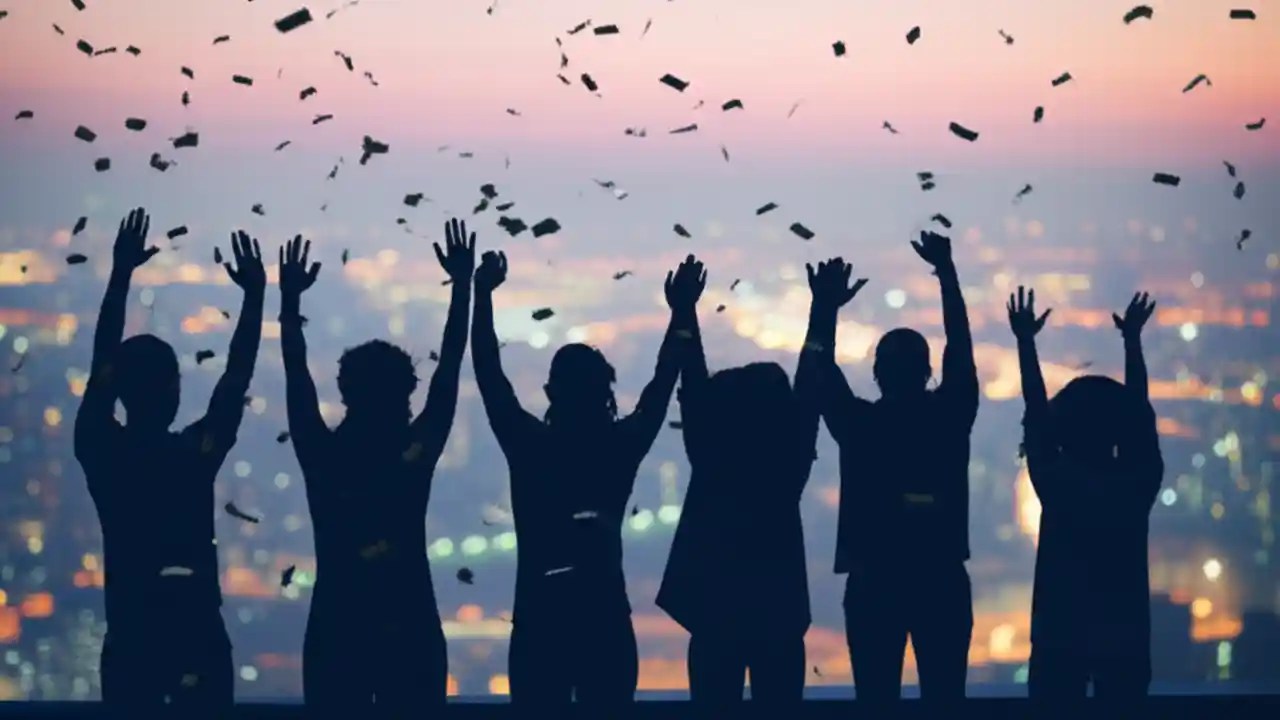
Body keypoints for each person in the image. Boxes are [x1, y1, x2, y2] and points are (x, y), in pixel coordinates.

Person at [472, 250, 695, 710]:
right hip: (605, 618)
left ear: (551, 392)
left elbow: (490, 376)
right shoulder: (620, 448)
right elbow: (662, 383)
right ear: (606, 392)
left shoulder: (530, 446)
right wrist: (681, 311)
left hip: (539, 621)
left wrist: (480, 295)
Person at [74, 209, 264, 712]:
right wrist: (255, 298)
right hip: (197, 636)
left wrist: (120, 275)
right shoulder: (192, 458)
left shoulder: (104, 454)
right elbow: (235, 381)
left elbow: (100, 368)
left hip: (131, 636)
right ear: (173, 392)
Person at [280, 221, 473, 713]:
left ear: (346, 392)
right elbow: (450, 368)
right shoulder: (414, 456)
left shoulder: (324, 456)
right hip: (409, 624)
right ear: (406, 394)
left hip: (336, 626)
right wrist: (463, 287)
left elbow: (296, 374)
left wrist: (289, 302)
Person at [808, 233, 978, 701]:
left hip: (874, 581)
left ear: (877, 373)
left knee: (876, 699)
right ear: (927, 371)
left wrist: (824, 308)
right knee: (946, 698)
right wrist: (946, 274)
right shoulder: (950, 418)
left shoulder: (860, 427)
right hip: (941, 577)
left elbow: (820, 370)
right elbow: (961, 351)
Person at [657, 257, 831, 707]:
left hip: (713, 615)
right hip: (778, 617)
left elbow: (692, 380)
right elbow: (811, 380)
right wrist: (824, 310)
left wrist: (684, 311)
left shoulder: (711, 459)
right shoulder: (786, 465)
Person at [1009, 288, 1164, 699]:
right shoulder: (1133, 486)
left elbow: (1036, 413)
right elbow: (1139, 419)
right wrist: (1132, 342)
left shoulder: (1059, 484)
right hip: (1123, 633)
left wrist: (1025, 343)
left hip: (1059, 634)